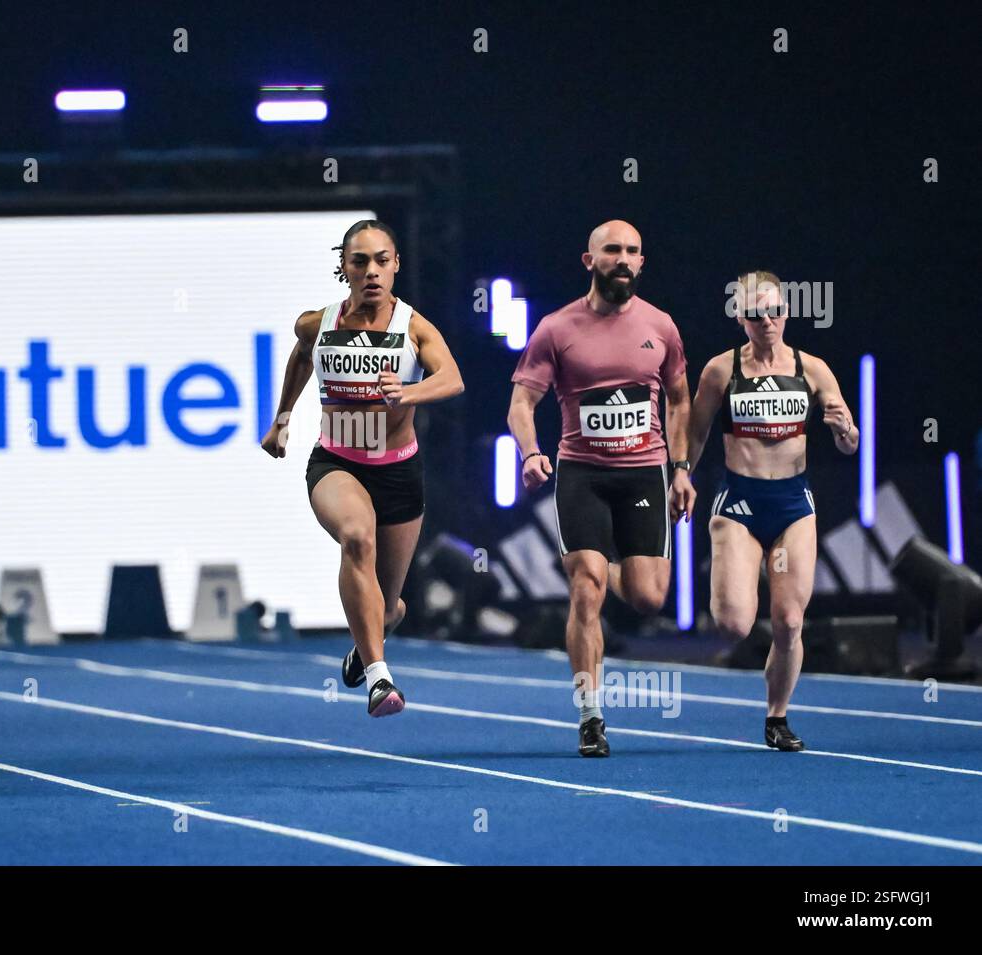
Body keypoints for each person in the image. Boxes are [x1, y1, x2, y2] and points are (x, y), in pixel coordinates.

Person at [261, 220, 464, 717]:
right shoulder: (317, 323)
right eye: (360, 262)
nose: (371, 271)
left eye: (381, 261)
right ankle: (379, 679)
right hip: (337, 463)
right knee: (357, 536)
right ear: (344, 268)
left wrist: (408, 392)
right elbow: (301, 359)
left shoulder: (413, 327)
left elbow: (453, 379)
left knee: (390, 606)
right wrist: (282, 418)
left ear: (396, 265)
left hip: (398, 472)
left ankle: (364, 644)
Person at [507, 220, 695, 757]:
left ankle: (598, 562)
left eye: (633, 251)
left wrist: (681, 468)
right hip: (581, 473)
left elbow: (681, 400)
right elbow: (522, 403)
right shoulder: (556, 328)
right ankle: (591, 715)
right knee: (586, 586)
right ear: (589, 260)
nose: (623, 259)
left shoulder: (661, 326)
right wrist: (531, 452)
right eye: (612, 250)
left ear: (642, 263)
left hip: (644, 473)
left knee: (647, 595)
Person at [686, 270, 858, 751]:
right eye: (757, 313)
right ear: (741, 317)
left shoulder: (813, 368)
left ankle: (777, 718)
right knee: (735, 624)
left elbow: (850, 444)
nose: (768, 321)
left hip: (792, 505)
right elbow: (695, 434)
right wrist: (680, 476)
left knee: (789, 621)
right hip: (738, 503)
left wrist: (845, 431)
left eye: (776, 311)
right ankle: (735, 598)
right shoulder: (722, 371)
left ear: (787, 313)